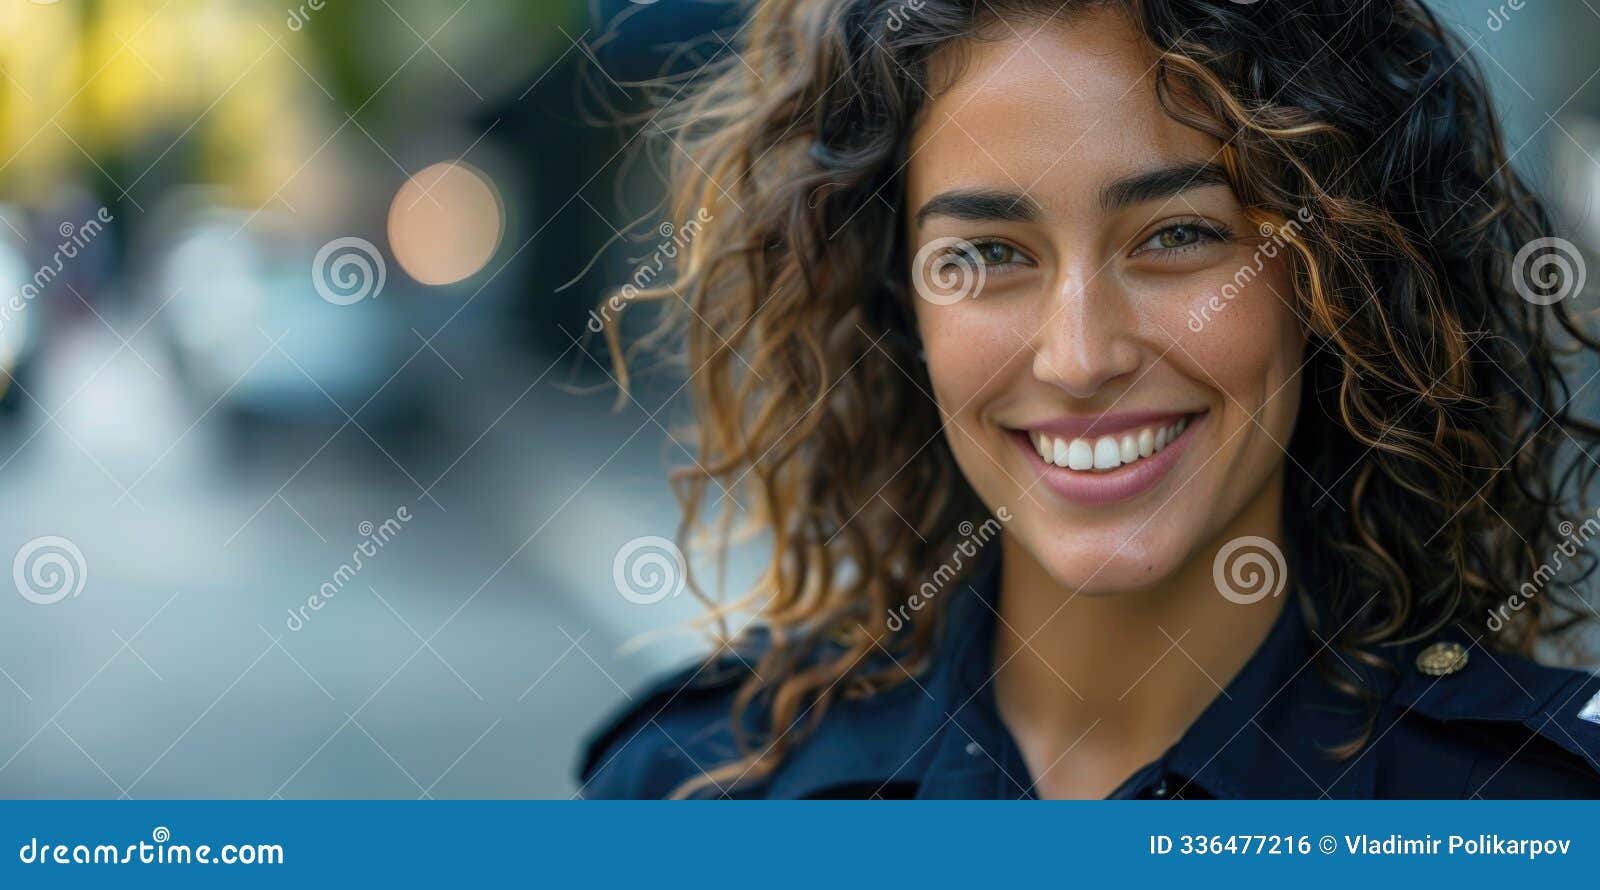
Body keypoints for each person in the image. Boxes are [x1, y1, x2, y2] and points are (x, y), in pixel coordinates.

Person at [576, 0, 1600, 798]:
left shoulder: (1538, 807)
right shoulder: (695, 790)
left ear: (1336, 269)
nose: (1077, 355)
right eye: (985, 252)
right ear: (894, 300)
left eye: (1176, 235)